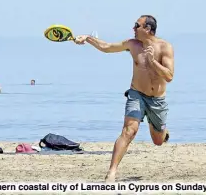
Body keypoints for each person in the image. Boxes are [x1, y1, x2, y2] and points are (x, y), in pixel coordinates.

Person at [74, 15, 174, 182]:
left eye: (137, 25)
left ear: (147, 29)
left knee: (158, 141)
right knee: (129, 131)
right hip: (136, 94)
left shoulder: (165, 48)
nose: (133, 28)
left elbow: (169, 76)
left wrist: (152, 62)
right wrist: (88, 38)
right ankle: (111, 172)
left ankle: (161, 130)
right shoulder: (132, 45)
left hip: (157, 100)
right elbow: (107, 47)